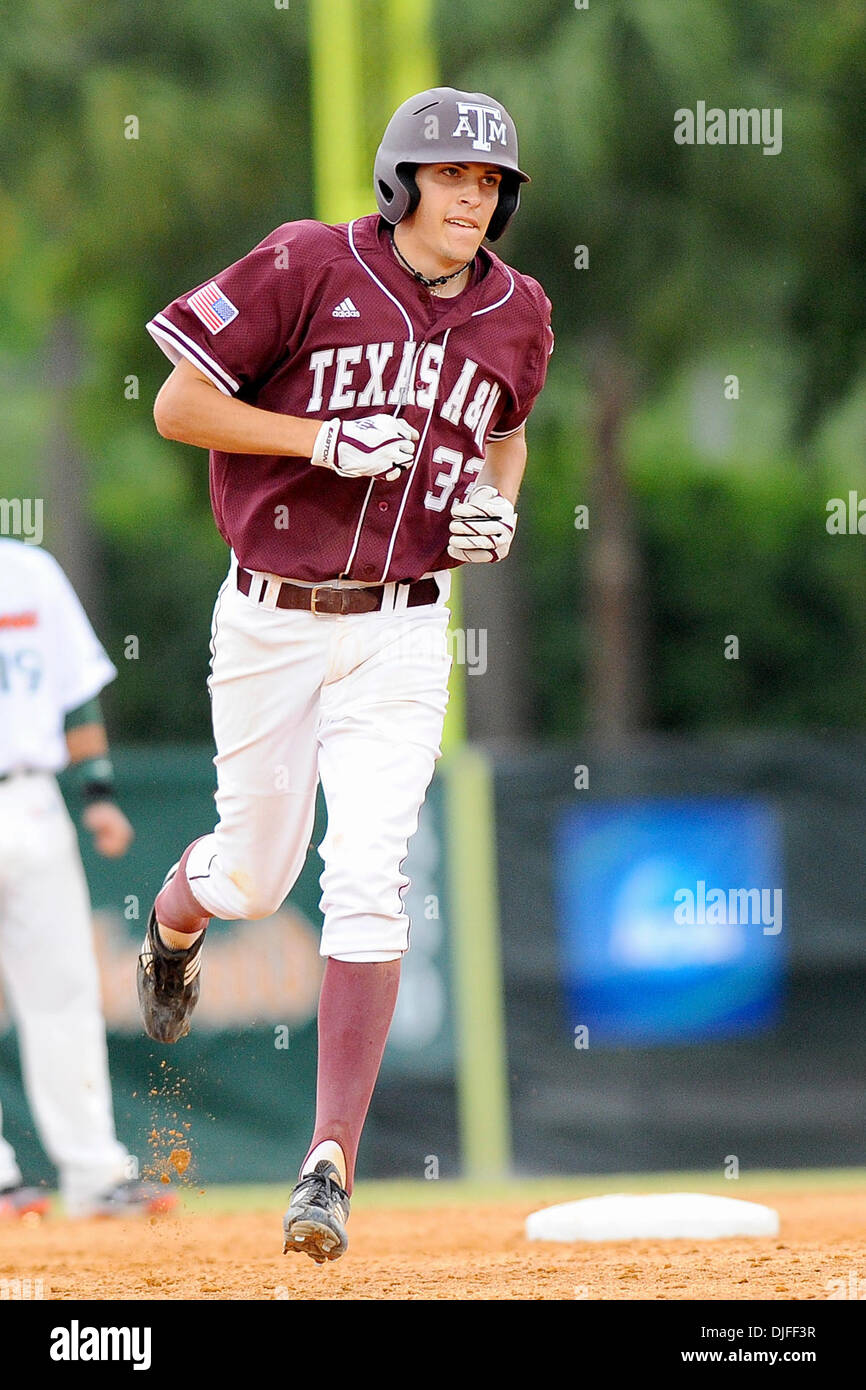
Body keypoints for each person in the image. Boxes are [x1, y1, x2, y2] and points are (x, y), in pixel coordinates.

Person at [140, 86, 553, 1262]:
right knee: (257, 876)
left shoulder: (517, 310)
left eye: (491, 184)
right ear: (399, 181)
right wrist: (313, 438)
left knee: (371, 873)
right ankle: (177, 918)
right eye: (452, 176)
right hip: (270, 616)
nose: (473, 198)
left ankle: (327, 1164)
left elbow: (509, 426)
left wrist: (492, 502)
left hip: (402, 629)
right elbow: (178, 402)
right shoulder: (308, 262)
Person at [0, 539, 175, 1218]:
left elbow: (76, 693)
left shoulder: (29, 570)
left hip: (34, 795)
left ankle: (95, 1176)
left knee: (64, 992)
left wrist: (98, 791)